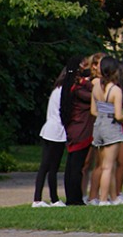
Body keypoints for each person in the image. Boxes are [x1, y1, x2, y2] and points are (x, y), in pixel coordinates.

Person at [32, 59, 75, 207]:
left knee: (50, 167)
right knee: (48, 166)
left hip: (51, 129)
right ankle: (42, 199)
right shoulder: (63, 91)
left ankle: (51, 198)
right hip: (55, 131)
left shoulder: (57, 89)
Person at [91, 56, 123, 205]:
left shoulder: (95, 87)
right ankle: (103, 199)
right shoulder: (116, 90)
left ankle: (113, 198)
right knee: (108, 166)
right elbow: (119, 115)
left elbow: (93, 111)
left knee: (105, 164)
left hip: (98, 124)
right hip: (111, 126)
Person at [63, 57, 94, 206]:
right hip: (81, 130)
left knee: (71, 166)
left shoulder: (69, 88)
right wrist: (86, 82)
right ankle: (75, 199)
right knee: (76, 167)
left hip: (73, 129)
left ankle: (71, 197)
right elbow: (95, 95)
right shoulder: (78, 89)